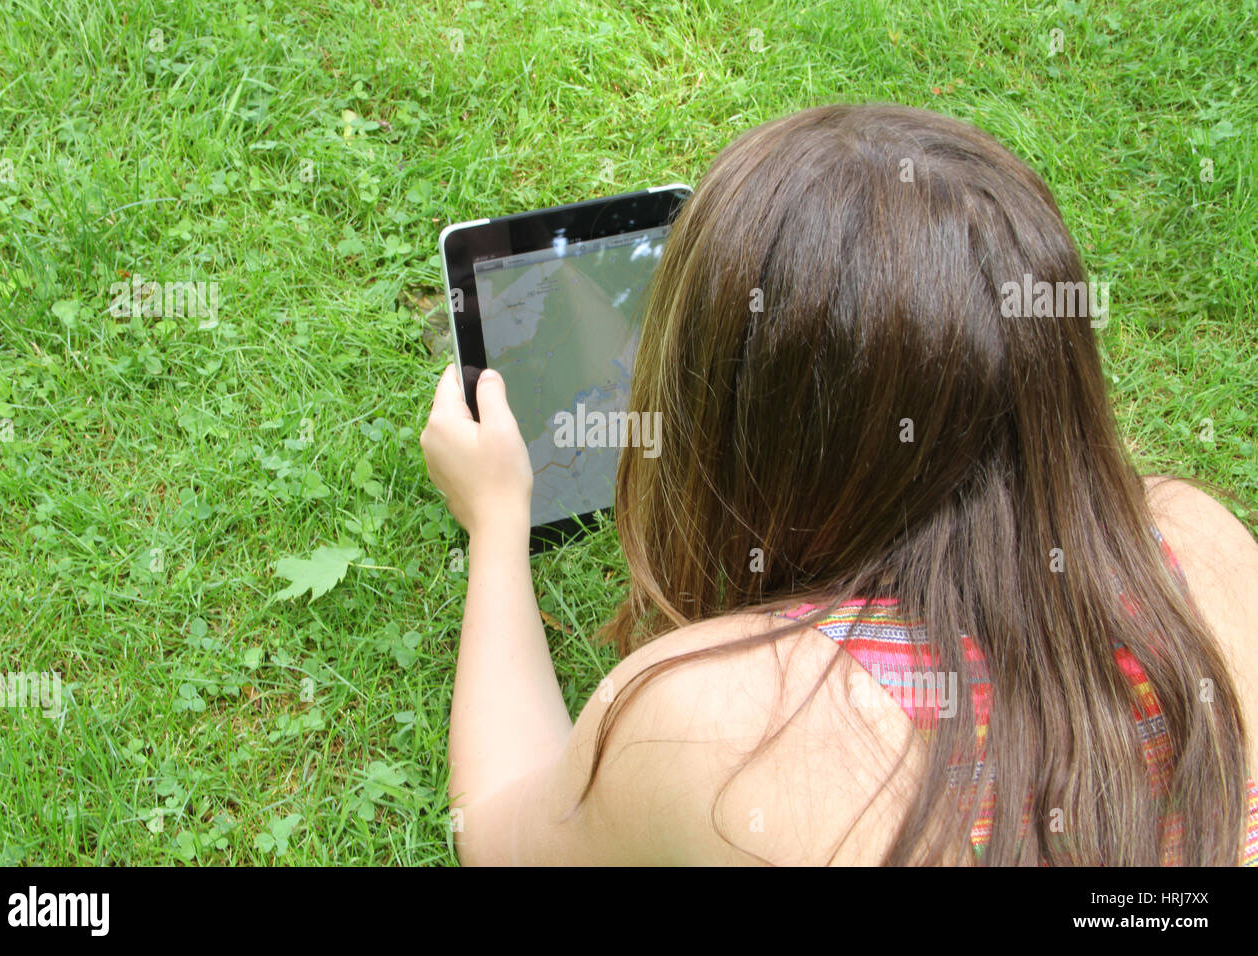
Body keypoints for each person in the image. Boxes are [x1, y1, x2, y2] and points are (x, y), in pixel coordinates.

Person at [419, 104, 1258, 865]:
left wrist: (497, 519)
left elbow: (498, 831)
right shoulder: (1205, 544)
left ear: (750, 431)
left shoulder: (730, 729)